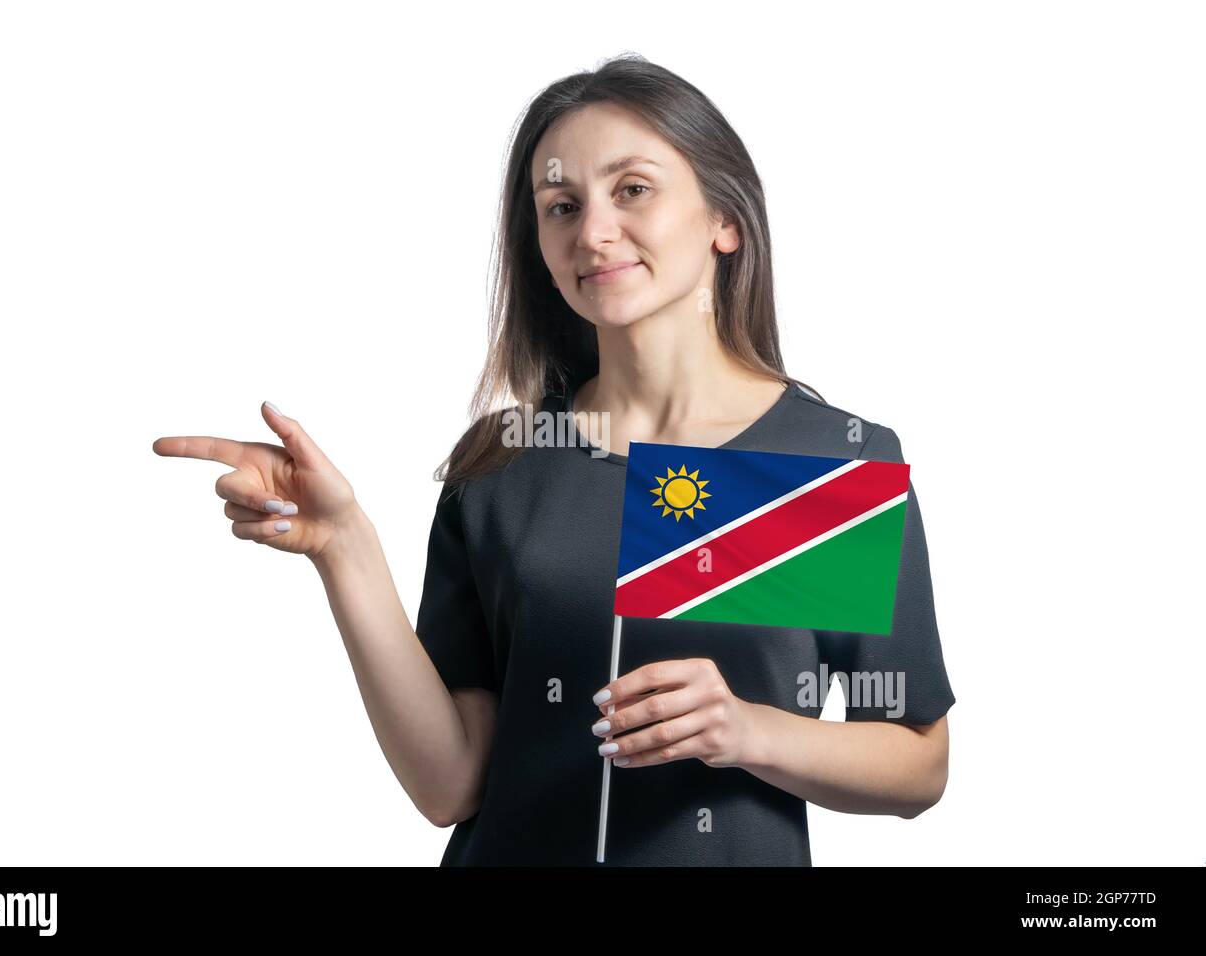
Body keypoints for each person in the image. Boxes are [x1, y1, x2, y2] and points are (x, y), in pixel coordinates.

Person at [153, 54, 955, 866]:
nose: (594, 231)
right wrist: (343, 546)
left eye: (632, 189)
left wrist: (751, 730)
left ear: (725, 219)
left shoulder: (828, 465)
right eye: (561, 206)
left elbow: (918, 761)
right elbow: (449, 784)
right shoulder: (508, 464)